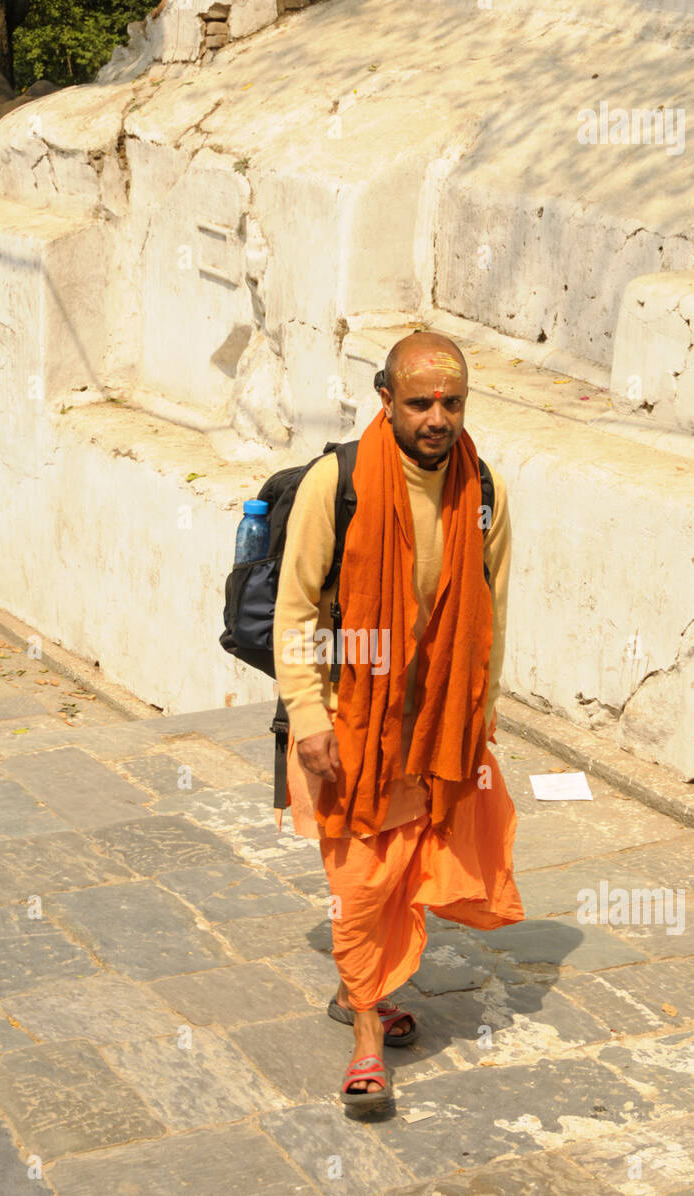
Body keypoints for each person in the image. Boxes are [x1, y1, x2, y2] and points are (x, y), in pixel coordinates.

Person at [273, 331, 524, 1107]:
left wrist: (477, 713)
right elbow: (295, 607)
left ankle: (368, 990)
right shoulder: (334, 483)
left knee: (408, 871)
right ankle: (366, 1041)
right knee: (359, 883)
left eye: (451, 402)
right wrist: (309, 715)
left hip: (435, 724)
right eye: (420, 402)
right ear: (386, 400)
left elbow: (493, 612)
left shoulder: (481, 488)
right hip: (350, 719)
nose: (437, 417)